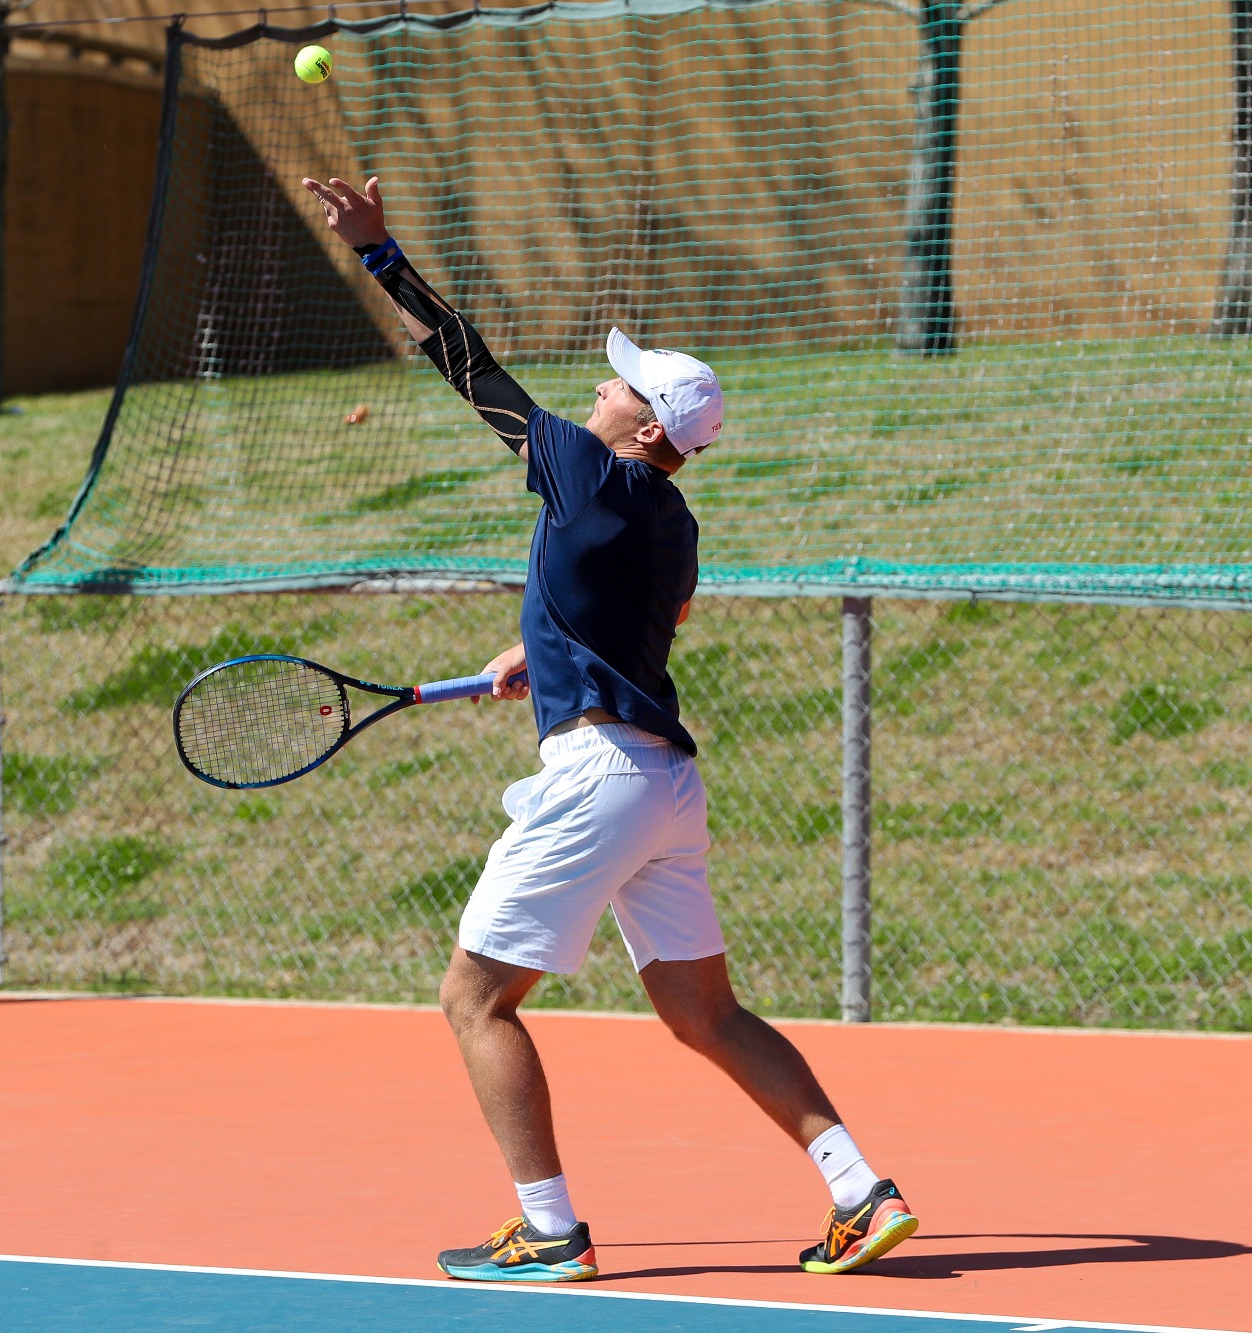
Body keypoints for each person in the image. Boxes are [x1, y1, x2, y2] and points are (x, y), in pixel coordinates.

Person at [302, 175, 920, 1284]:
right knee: (705, 1012)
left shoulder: (587, 470)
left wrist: (379, 252)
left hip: (597, 775)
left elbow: (469, 367)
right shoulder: (676, 522)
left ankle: (549, 1229)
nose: (600, 382)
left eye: (620, 381)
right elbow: (644, 622)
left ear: (644, 427)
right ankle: (860, 1189)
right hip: (662, 785)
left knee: (473, 999)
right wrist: (536, 650)